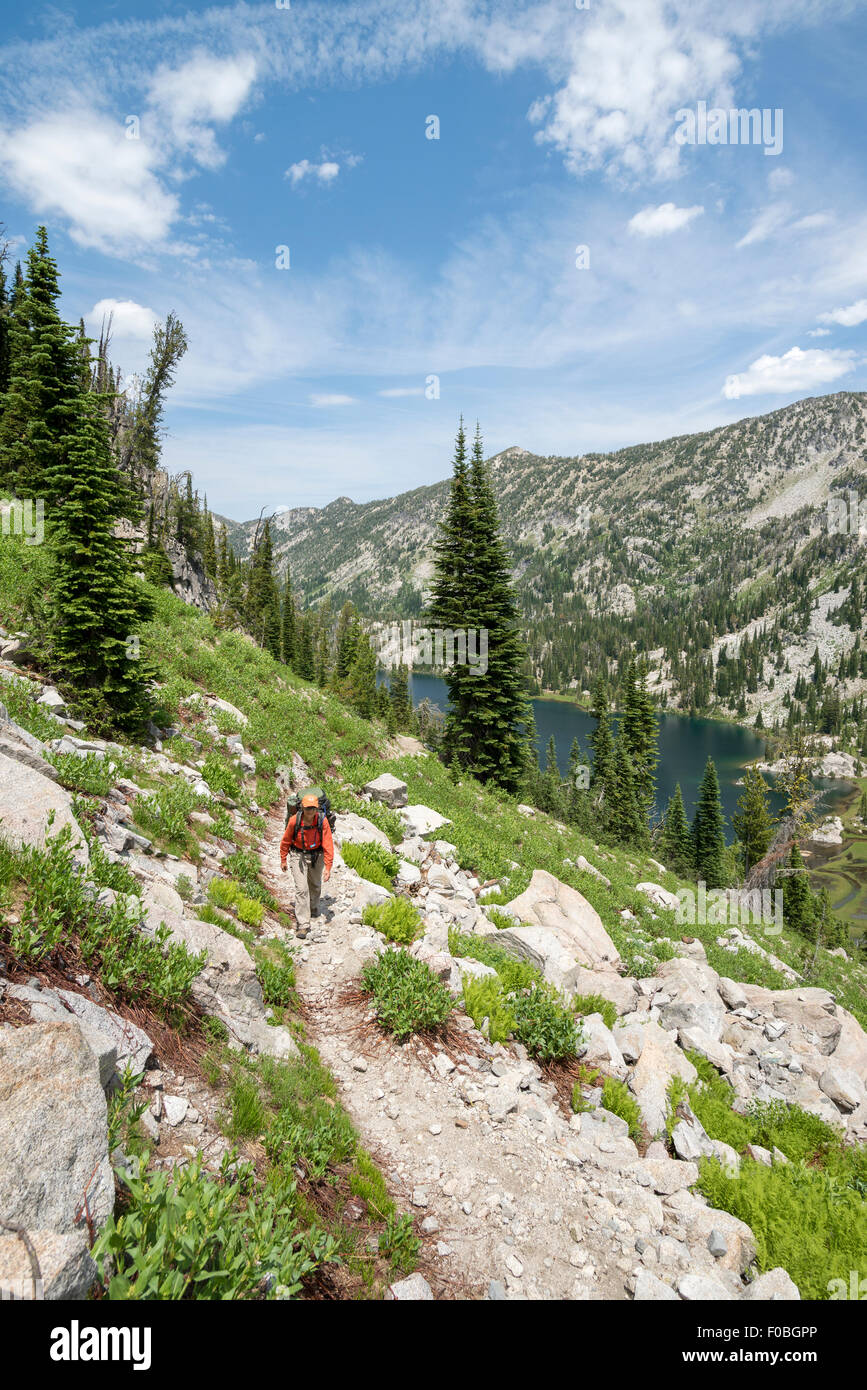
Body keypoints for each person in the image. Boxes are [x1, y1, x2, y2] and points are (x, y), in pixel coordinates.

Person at [280, 793, 334, 935]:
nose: (310, 811)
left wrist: (328, 867)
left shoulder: (322, 821)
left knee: (315, 885)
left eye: (313, 808)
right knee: (302, 889)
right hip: (298, 855)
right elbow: (285, 841)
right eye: (308, 808)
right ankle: (303, 924)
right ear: (302, 807)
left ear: (317, 808)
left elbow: (328, 844)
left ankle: (313, 908)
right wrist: (283, 859)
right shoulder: (294, 820)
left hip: (317, 855)